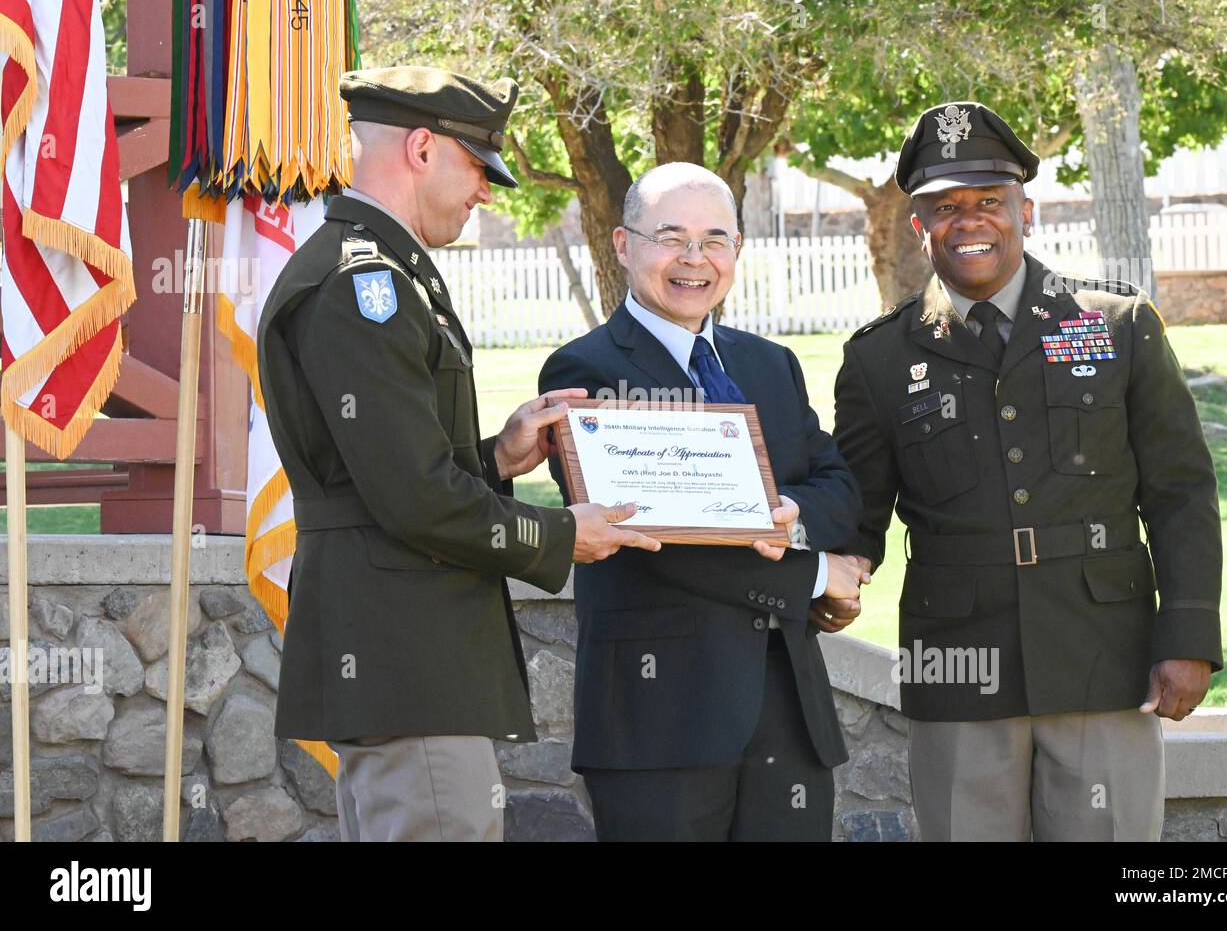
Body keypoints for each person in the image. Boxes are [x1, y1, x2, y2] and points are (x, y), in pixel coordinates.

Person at [256, 67, 658, 842]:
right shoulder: (363, 284)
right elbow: (412, 495)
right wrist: (564, 533)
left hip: (403, 652)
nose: (486, 193)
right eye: (478, 167)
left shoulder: (384, 270)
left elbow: (391, 469)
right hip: (406, 657)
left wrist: (498, 457)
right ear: (420, 148)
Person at [830, 102, 1223, 841]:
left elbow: (1180, 492)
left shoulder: (1114, 325)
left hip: (1103, 656)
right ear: (919, 224)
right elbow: (857, 511)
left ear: (1026, 210)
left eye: (989, 203)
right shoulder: (880, 359)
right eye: (945, 207)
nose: (969, 221)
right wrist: (831, 573)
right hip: (958, 663)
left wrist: (1190, 636)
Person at [538, 162, 870, 841]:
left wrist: (792, 517)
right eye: (672, 238)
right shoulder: (588, 373)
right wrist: (813, 574)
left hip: (789, 716)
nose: (696, 260)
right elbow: (649, 541)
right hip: (660, 724)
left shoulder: (770, 364)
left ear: (738, 250)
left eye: (715, 239)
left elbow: (840, 491)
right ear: (623, 245)